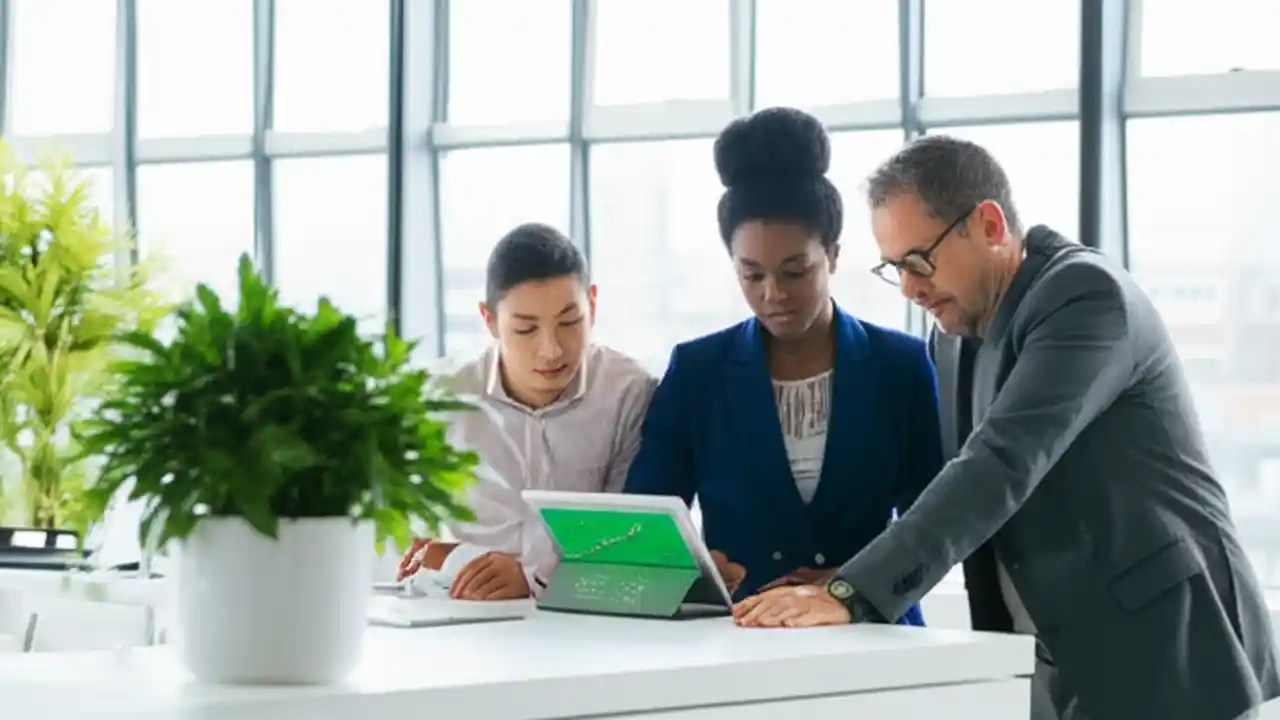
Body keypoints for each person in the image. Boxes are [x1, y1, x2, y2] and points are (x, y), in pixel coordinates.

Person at [732, 135, 1280, 719]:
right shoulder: (955, 333)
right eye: (896, 268)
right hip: (1057, 667)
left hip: (1168, 649)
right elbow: (950, 493)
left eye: (920, 261)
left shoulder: (1086, 298)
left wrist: (854, 593)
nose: (912, 288)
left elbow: (1001, 462)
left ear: (990, 225)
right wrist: (845, 574)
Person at [624, 107, 943, 626]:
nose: (773, 294)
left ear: (834, 255)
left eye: (796, 271)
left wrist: (848, 585)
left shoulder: (899, 365)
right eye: (751, 274)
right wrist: (694, 569)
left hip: (873, 630)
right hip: (741, 632)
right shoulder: (698, 371)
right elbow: (646, 520)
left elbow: (936, 523)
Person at [396, 223, 656, 600]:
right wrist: (448, 556)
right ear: (489, 321)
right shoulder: (442, 397)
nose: (551, 350)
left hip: (579, 615)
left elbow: (630, 534)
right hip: (460, 612)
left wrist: (532, 578)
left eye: (570, 322)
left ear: (593, 305)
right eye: (525, 329)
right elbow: (409, 540)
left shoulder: (627, 391)